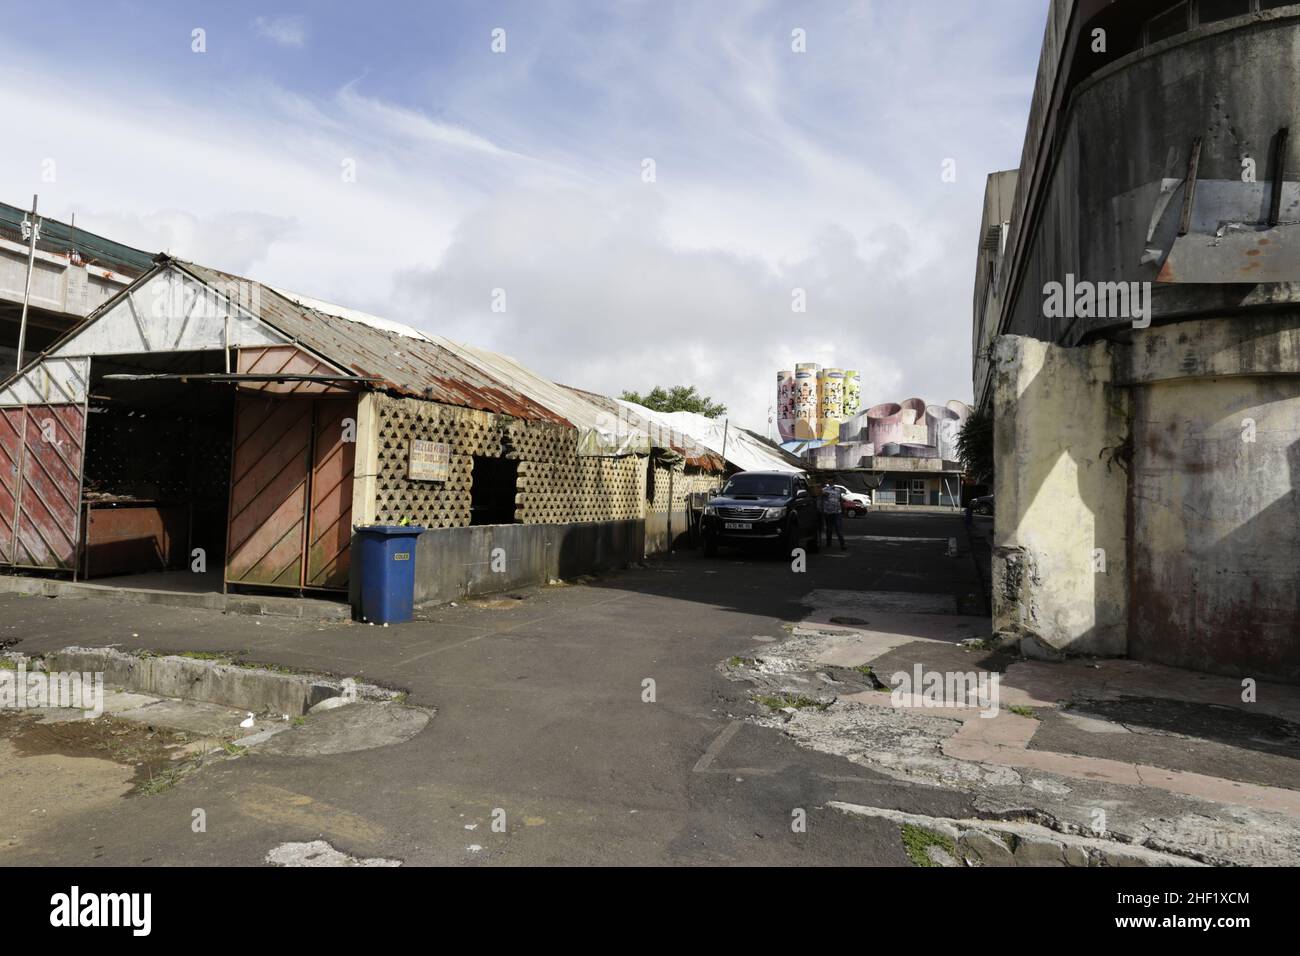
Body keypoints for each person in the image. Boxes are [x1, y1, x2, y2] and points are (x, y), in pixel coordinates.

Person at [820, 483, 846, 550]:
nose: (830, 481)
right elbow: (821, 500)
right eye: (829, 479)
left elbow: (840, 500)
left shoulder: (838, 490)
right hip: (828, 512)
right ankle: (828, 543)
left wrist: (843, 509)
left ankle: (842, 544)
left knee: (838, 529)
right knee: (829, 528)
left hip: (837, 512)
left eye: (831, 479)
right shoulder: (823, 490)